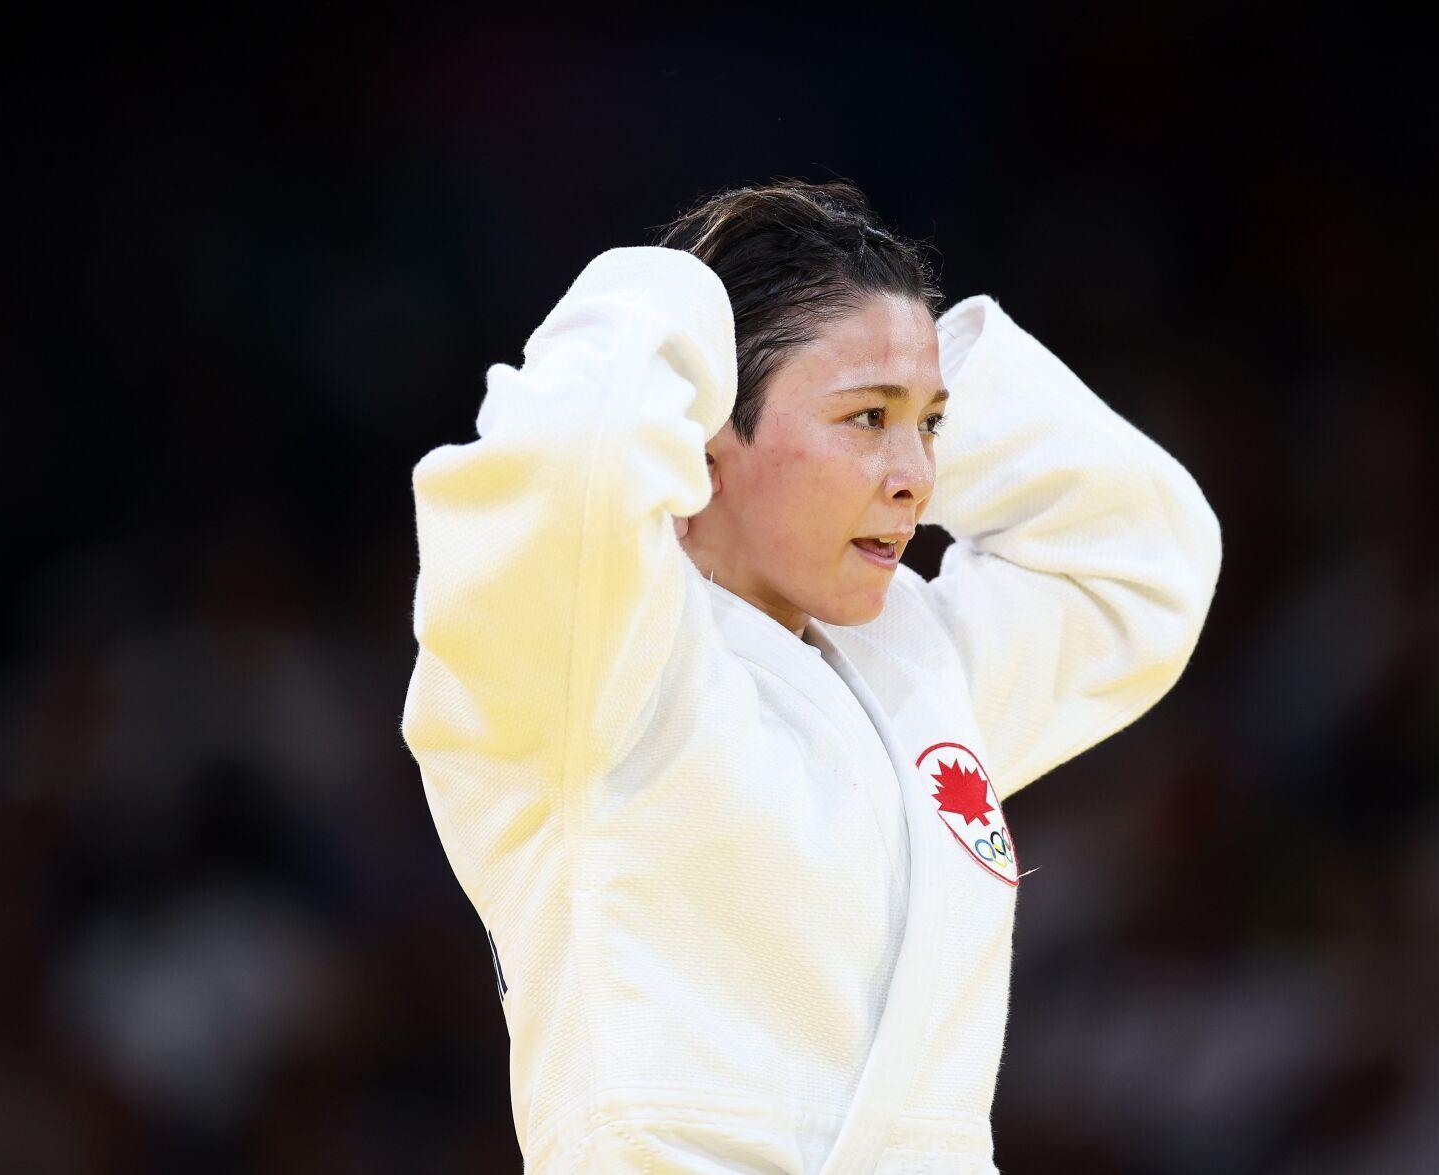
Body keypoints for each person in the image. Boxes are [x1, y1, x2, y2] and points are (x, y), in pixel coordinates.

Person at [400, 178, 1223, 1172]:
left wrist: (910, 355)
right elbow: (564, 461)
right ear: (706, 427)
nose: (918, 475)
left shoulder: (910, 660)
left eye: (932, 425)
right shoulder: (587, 653)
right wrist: (677, 295)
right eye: (866, 417)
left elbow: (1142, 559)